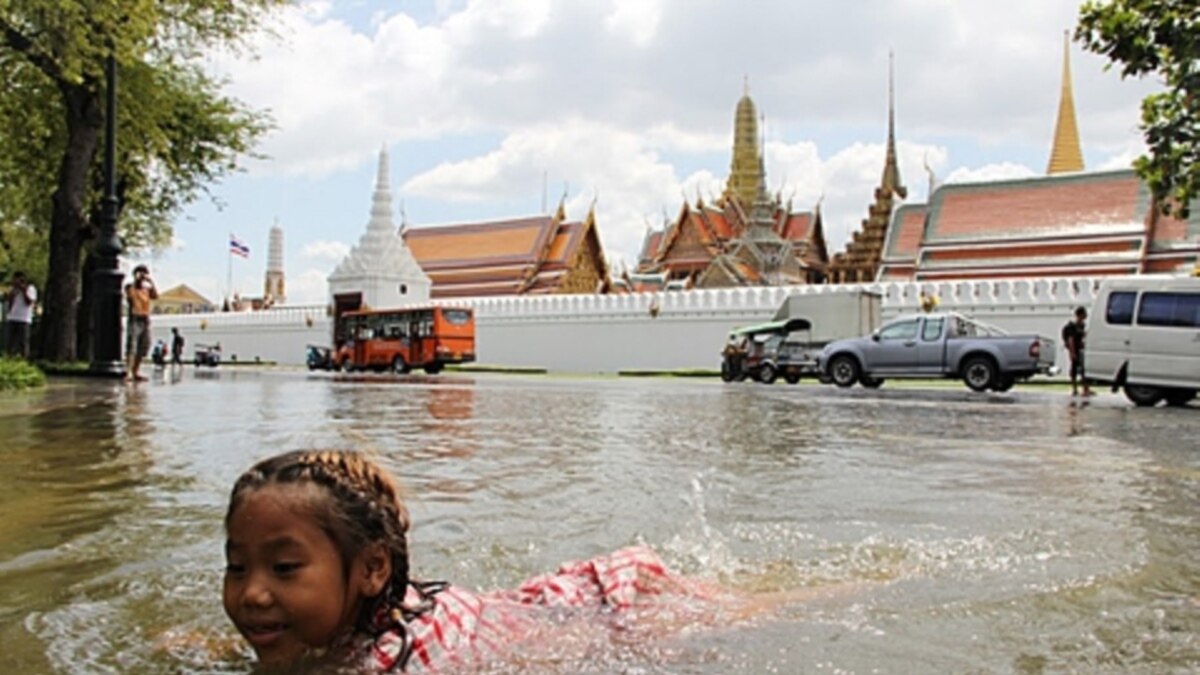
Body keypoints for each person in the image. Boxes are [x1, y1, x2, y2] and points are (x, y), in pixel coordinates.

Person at [222, 450, 852, 673]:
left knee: (771, 608)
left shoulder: (399, 662)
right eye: (236, 566)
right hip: (545, 606)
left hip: (612, 617)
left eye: (283, 570)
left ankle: (868, 582)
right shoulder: (348, 625)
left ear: (373, 572)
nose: (251, 596)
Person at [124, 264, 158, 381]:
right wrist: (136, 280)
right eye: (141, 272)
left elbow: (155, 295)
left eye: (145, 273)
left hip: (145, 319)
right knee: (132, 345)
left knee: (144, 346)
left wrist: (151, 281)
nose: (143, 275)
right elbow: (130, 297)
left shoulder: (146, 289)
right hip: (135, 318)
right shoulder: (130, 287)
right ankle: (128, 372)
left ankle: (135, 371)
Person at [4, 271, 37, 359]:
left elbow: (29, 302)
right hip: (12, 317)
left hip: (24, 318)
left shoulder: (30, 288)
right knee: (10, 341)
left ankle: (24, 359)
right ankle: (8, 358)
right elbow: (9, 302)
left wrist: (23, 290)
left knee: (23, 342)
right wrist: (13, 292)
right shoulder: (14, 289)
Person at [1062, 306, 1092, 397]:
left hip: (1080, 349)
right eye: (1084, 314)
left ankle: (1085, 388)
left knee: (1083, 369)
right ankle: (1075, 389)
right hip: (1075, 350)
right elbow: (1071, 340)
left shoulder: (1081, 326)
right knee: (1075, 369)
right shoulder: (1072, 326)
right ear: (1080, 315)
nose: (1085, 316)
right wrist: (1072, 353)